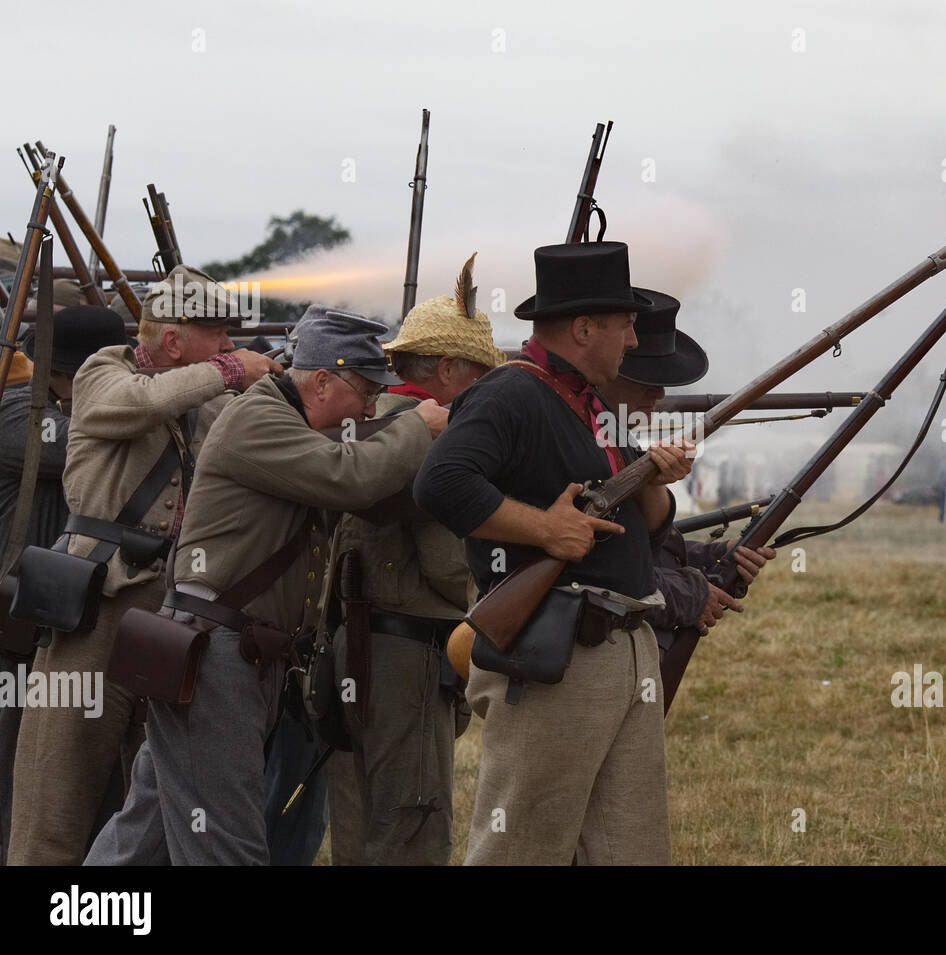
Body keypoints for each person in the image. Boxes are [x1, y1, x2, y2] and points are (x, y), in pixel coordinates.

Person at [84, 308, 442, 866]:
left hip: (229, 656)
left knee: (145, 835)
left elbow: (370, 487)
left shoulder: (291, 425)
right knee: (227, 845)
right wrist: (418, 427)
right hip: (217, 657)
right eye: (366, 391)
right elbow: (350, 477)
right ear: (322, 380)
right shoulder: (260, 418)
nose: (372, 408)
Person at [414, 241, 692, 865]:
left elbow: (648, 529)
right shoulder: (511, 392)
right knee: (521, 849)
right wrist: (543, 529)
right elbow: (441, 483)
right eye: (624, 327)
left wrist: (648, 474)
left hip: (622, 642)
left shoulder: (591, 404)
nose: (631, 343)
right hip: (557, 650)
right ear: (585, 327)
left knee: (630, 848)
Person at [6, 267, 280, 866]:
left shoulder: (209, 402)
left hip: (172, 615)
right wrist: (232, 374)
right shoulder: (104, 372)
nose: (230, 347)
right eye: (216, 334)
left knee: (150, 803)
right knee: (55, 798)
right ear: (175, 341)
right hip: (96, 604)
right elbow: (143, 401)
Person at [326, 255, 505, 866]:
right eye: (482, 374)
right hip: (409, 652)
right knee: (414, 828)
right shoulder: (431, 435)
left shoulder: (375, 426)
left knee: (363, 821)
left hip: (364, 643)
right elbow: (452, 569)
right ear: (449, 369)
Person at [0, 307, 127, 864]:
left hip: (74, 622)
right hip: (18, 626)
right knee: (20, 771)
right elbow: (90, 438)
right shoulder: (19, 415)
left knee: (86, 773)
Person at [592, 289, 775, 659]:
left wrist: (713, 557)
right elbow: (598, 572)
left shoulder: (615, 441)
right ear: (605, 368)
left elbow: (642, 549)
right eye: (644, 378)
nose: (659, 393)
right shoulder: (581, 443)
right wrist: (692, 593)